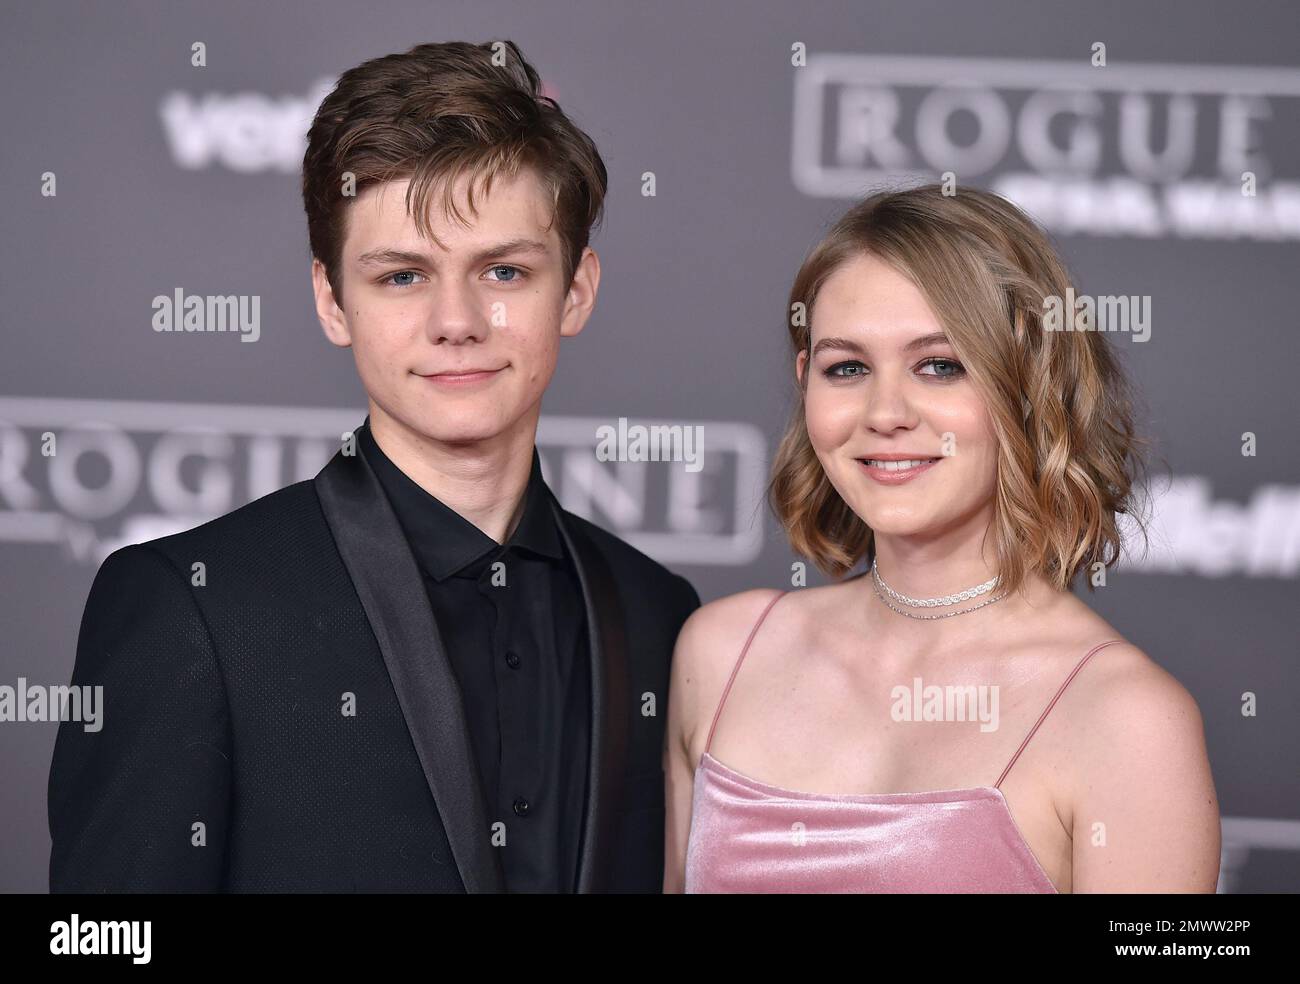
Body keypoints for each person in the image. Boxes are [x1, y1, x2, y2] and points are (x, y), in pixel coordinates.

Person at [48, 39, 699, 893]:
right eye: (402, 277)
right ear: (331, 301)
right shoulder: (193, 606)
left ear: (575, 290)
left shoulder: (659, 616)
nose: (456, 320)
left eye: (504, 270)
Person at [664, 184, 1220, 893]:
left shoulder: (1130, 721)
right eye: (848, 368)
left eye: (940, 365)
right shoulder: (720, 652)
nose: (885, 412)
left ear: (1027, 384)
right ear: (807, 387)